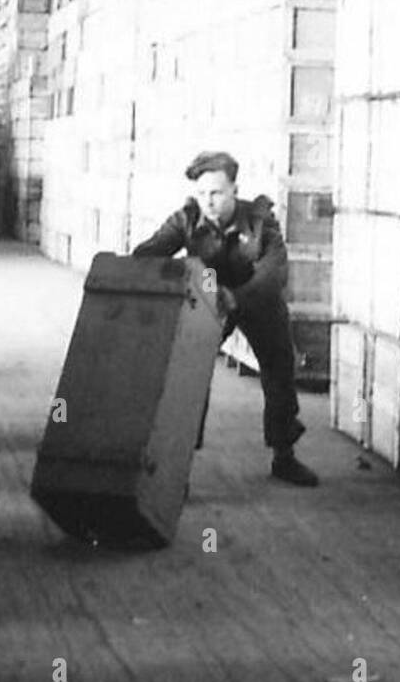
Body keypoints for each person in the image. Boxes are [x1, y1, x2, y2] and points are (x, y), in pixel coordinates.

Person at [130, 150, 319, 487]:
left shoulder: (260, 221)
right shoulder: (187, 219)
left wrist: (236, 297)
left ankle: (284, 454)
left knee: (280, 365)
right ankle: (179, 462)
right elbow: (150, 253)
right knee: (189, 373)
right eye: (202, 194)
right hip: (208, 301)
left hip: (256, 300)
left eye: (216, 193)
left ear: (235, 189)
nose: (209, 202)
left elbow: (274, 273)